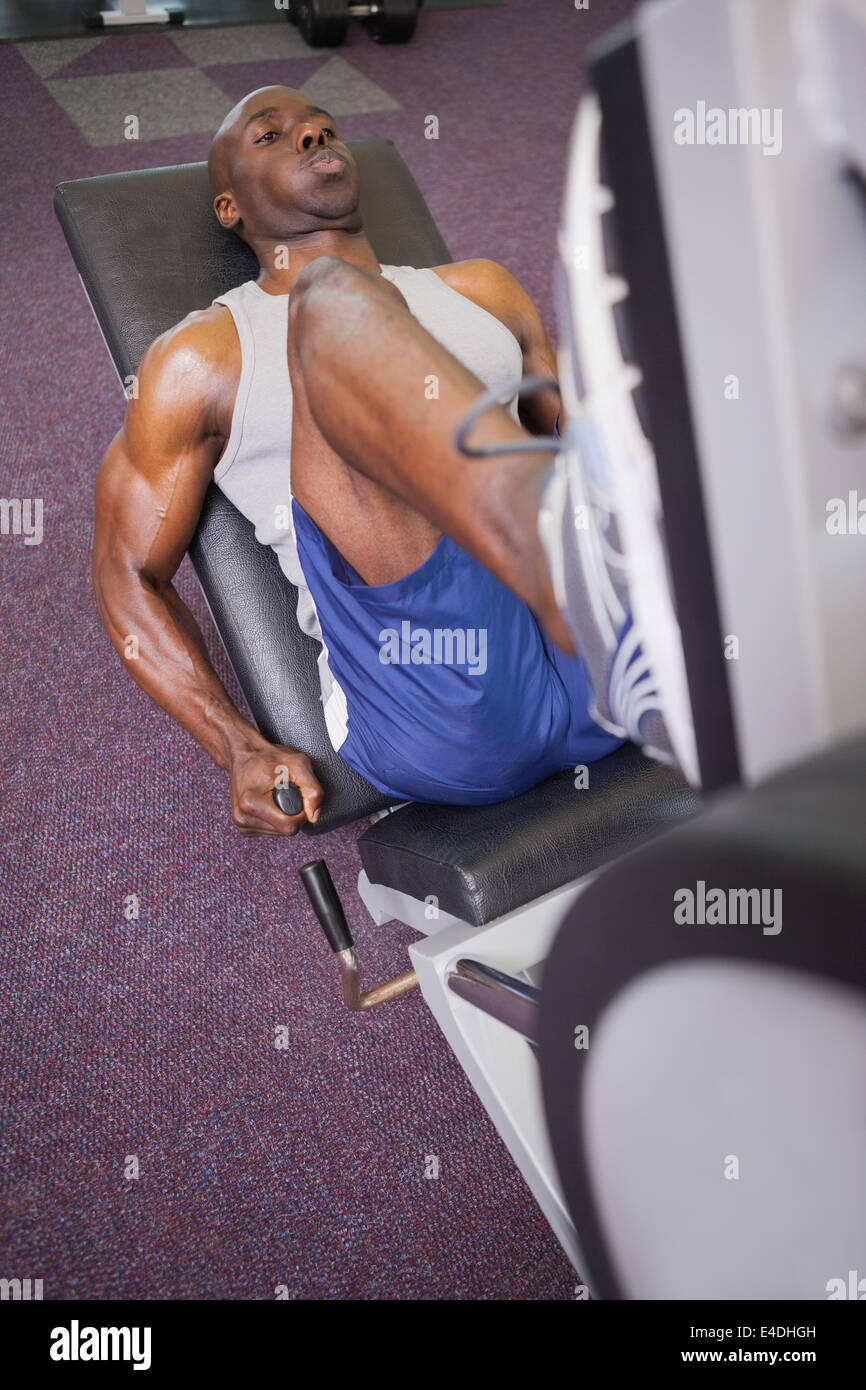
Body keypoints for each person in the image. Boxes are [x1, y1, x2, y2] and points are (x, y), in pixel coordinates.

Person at [93, 85, 622, 838]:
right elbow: (125, 572)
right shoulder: (200, 358)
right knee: (330, 301)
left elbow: (592, 438)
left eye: (322, 126)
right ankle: (546, 541)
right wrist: (237, 747)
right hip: (444, 690)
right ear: (228, 208)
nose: (311, 135)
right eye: (271, 135)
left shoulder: (483, 289)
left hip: (600, 663)